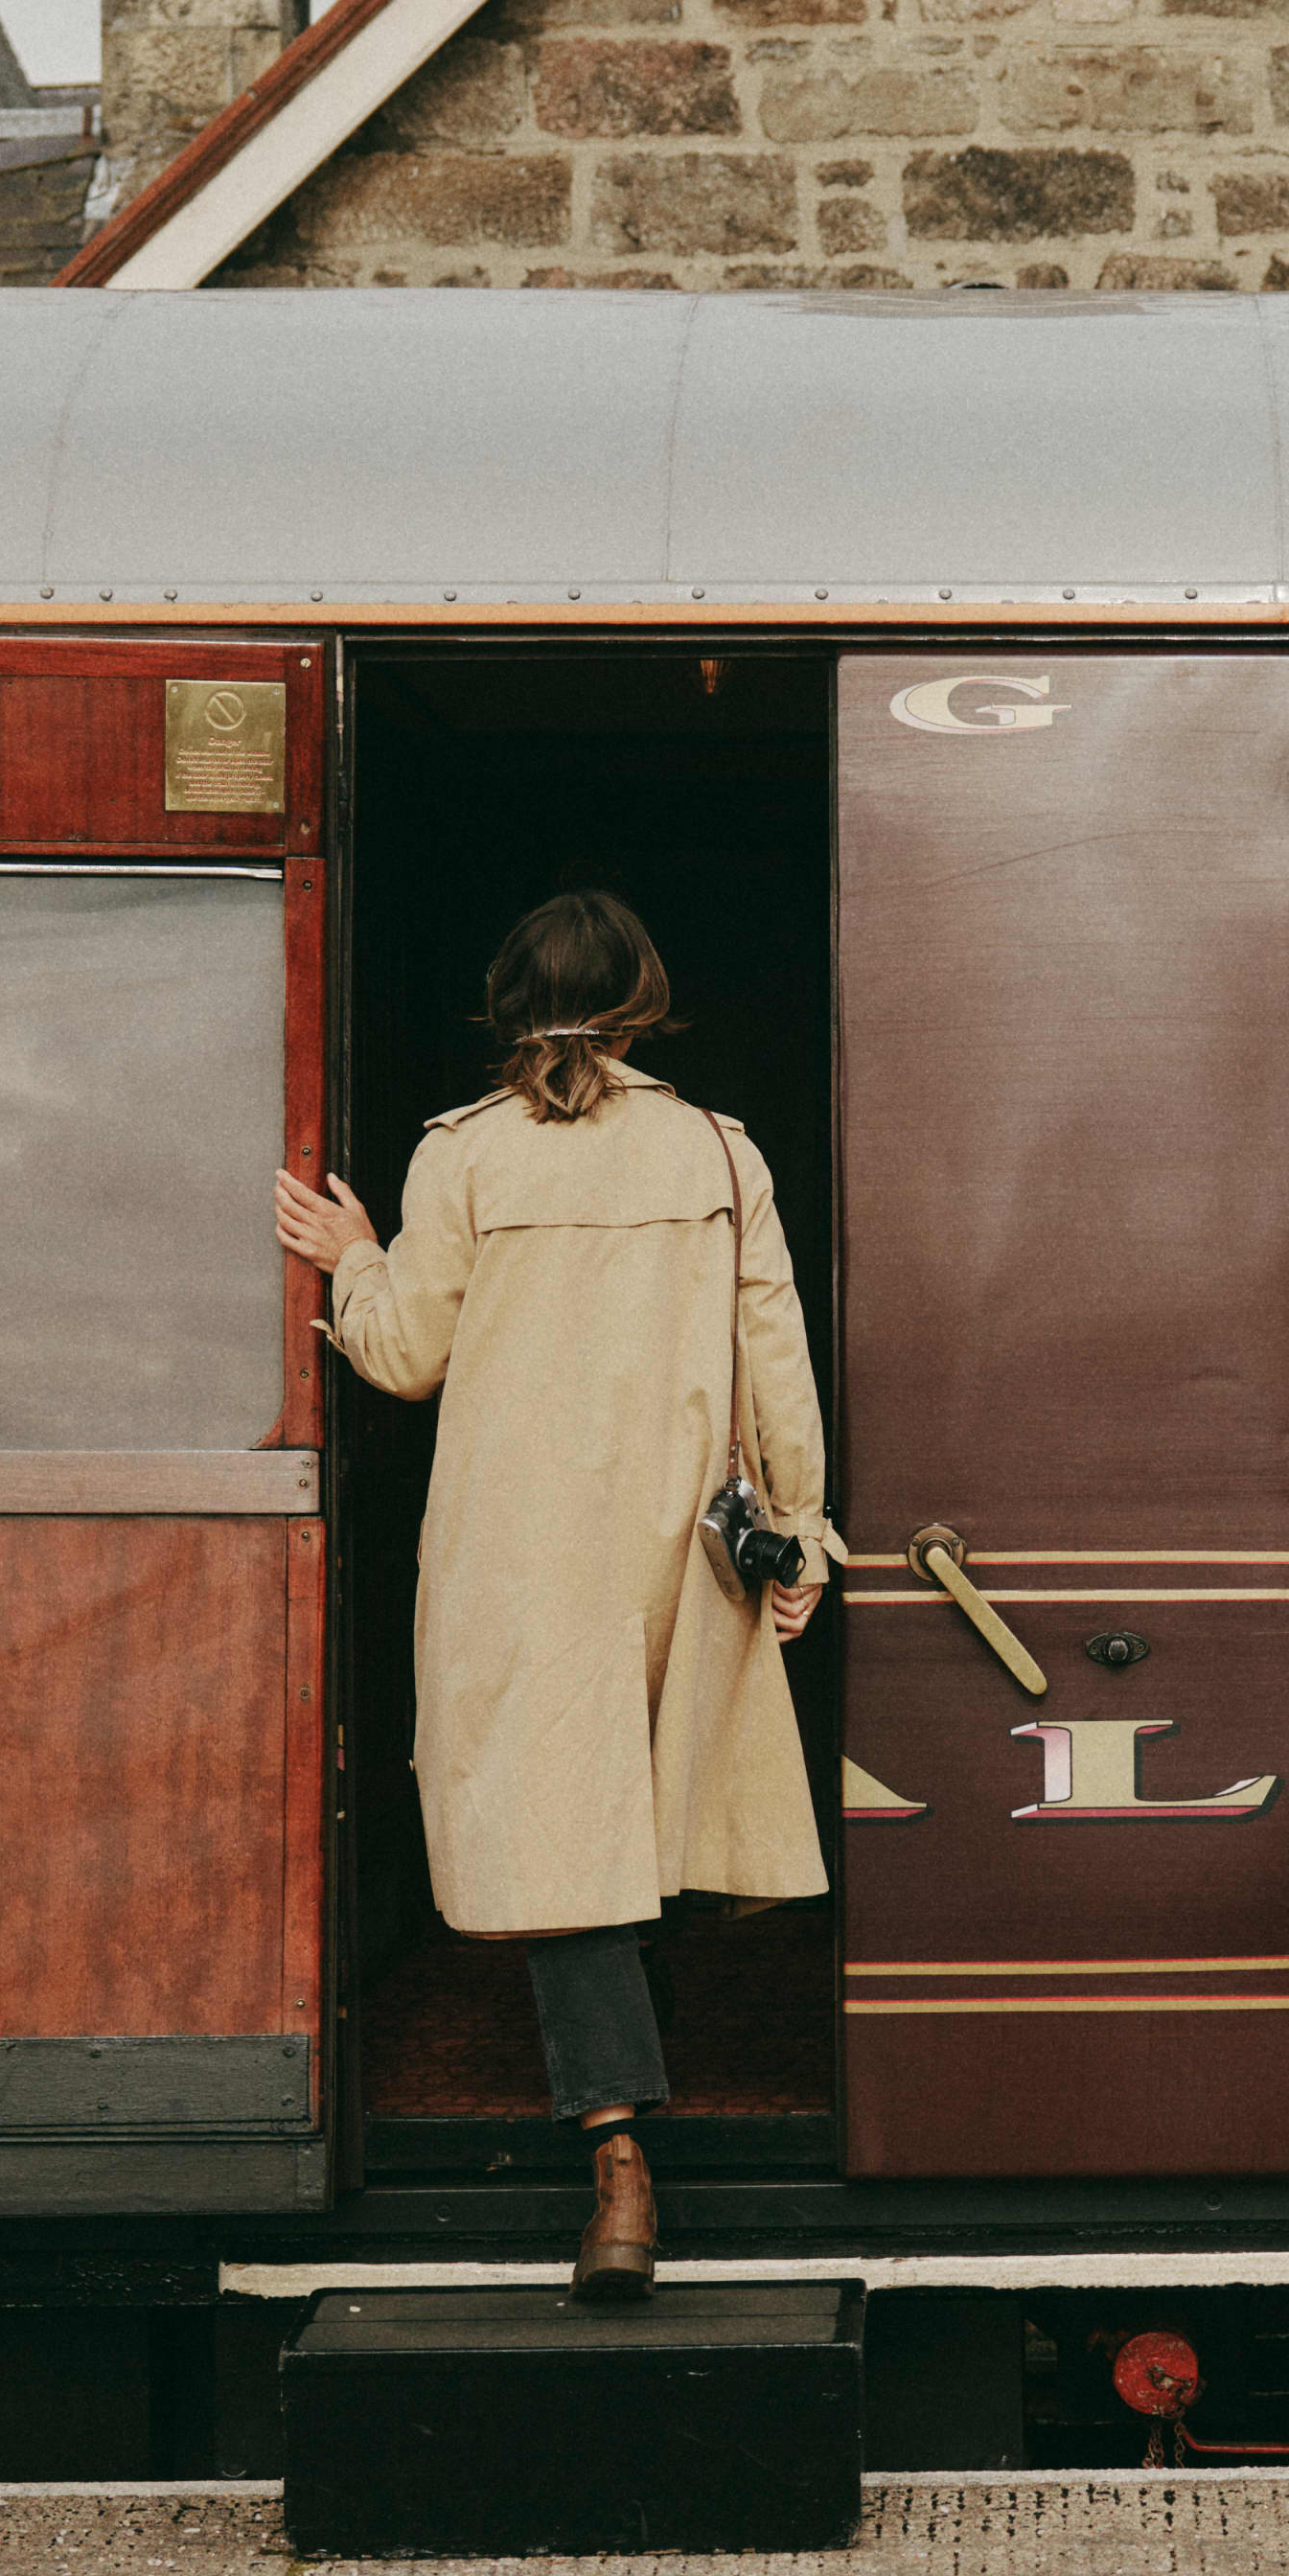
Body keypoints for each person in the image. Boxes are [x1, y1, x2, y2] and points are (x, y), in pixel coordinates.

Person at [276, 890, 827, 2303]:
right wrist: (803, 1528)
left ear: (504, 1005)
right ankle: (642, 2104)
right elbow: (775, 1351)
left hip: (517, 1546)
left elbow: (402, 1357)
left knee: (562, 1818)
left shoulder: (459, 1159)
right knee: (650, 1800)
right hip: (674, 1535)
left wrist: (352, 1263)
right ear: (647, 1003)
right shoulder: (718, 1150)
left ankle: (617, 2154)